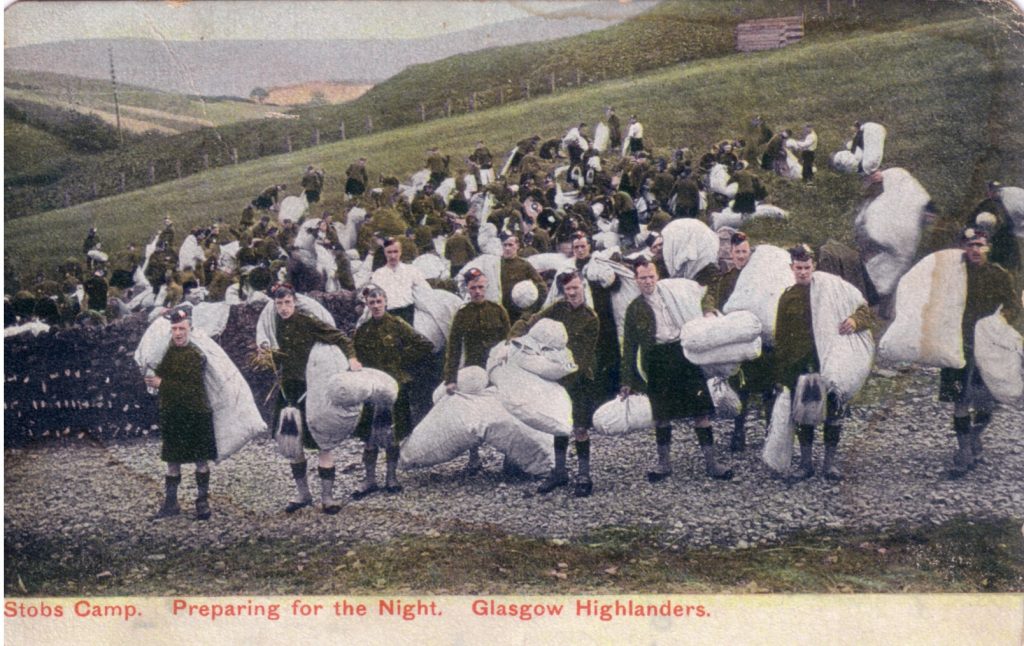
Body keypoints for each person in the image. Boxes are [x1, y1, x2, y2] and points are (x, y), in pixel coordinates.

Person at [620, 259, 733, 482]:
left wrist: (708, 311)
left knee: (700, 410)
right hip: (657, 359)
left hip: (683, 354)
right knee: (661, 415)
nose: (648, 281)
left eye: (651, 276)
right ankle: (664, 464)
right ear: (636, 280)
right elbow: (629, 347)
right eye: (643, 278)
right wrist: (627, 381)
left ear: (657, 275)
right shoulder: (634, 309)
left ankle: (712, 463)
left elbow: (702, 294)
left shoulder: (675, 292)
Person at [773, 245, 874, 481]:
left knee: (834, 411)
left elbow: (865, 310)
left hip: (830, 362)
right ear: (791, 268)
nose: (803, 273)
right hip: (802, 365)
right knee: (804, 415)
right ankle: (806, 464)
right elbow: (781, 338)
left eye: (807, 267)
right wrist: (782, 375)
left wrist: (854, 320)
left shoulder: (833, 288)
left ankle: (830, 464)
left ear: (814, 266)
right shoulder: (788, 297)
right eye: (798, 268)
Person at [257, 284, 360, 514]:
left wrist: (352, 359)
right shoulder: (273, 326)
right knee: (293, 444)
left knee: (322, 440)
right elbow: (269, 350)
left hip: (312, 388)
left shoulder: (307, 322)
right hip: (287, 390)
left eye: (287, 303)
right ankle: (303, 494)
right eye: (279, 304)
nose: (284, 308)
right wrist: (266, 356)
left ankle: (328, 498)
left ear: (294, 302)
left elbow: (340, 337)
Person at [940, 227, 1022, 477]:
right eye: (970, 245)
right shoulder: (953, 276)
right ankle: (964, 454)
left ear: (988, 248)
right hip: (958, 346)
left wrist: (999, 322)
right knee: (959, 400)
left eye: (980, 245)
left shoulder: (998, 275)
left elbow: (1013, 305)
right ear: (963, 248)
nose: (975, 250)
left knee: (986, 403)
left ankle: (975, 436)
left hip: (987, 347)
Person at [511, 271, 600, 497]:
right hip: (555, 377)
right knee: (558, 424)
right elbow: (533, 321)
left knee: (579, 427)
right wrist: (515, 338)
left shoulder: (591, 318)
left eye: (576, 288)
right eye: (568, 289)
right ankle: (559, 472)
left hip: (579, 379)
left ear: (583, 287)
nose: (572, 293)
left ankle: (584, 474)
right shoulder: (558, 308)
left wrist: (563, 375)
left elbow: (583, 356)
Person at [351, 286, 435, 498]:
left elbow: (425, 344)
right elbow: (355, 356)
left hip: (395, 385)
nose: (376, 306)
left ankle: (391, 477)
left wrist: (399, 361)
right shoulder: (363, 330)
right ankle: (369, 479)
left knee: (393, 435)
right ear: (367, 305)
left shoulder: (397, 324)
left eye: (379, 301)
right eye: (372, 303)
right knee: (369, 436)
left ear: (386, 302)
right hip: (371, 388)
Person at [144, 307, 217, 521]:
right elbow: (156, 371)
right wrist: (151, 378)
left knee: (201, 460)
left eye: (182, 328)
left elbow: (192, 388)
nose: (178, 333)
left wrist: (162, 383)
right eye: (174, 328)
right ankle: (171, 503)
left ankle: (202, 502)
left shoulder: (196, 354)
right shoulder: (166, 352)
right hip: (173, 413)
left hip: (196, 414)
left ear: (190, 329)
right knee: (172, 461)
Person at [707, 232, 776, 451]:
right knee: (740, 388)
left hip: (762, 343)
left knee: (768, 390)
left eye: (744, 252)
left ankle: (770, 433)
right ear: (730, 253)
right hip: (739, 343)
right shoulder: (727, 279)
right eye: (737, 252)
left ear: (750, 252)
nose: (740, 256)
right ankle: (739, 432)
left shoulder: (760, 276)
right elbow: (719, 304)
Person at [443, 268, 511, 472]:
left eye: (481, 287)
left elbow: (508, 343)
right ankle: (474, 457)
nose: (478, 292)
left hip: (497, 368)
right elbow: (453, 347)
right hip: (474, 369)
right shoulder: (463, 314)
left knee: (505, 409)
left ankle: (510, 457)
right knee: (472, 411)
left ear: (487, 286)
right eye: (473, 288)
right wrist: (450, 378)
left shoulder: (498, 310)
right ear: (467, 289)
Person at [369, 236, 431, 325]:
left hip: (408, 314)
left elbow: (425, 291)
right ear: (384, 253)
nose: (393, 256)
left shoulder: (411, 270)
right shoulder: (378, 274)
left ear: (401, 252)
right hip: (388, 315)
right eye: (389, 252)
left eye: (395, 251)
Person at [499, 233, 548, 323]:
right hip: (501, 311)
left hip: (519, 313)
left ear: (517, 246)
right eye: (504, 245)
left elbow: (542, 287)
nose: (507, 248)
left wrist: (532, 309)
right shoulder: (497, 264)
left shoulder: (524, 265)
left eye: (510, 245)